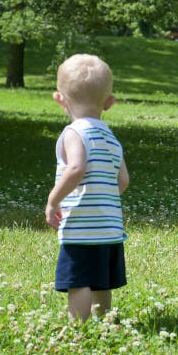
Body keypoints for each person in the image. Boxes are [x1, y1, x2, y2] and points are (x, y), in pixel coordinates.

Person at [46, 54, 129, 321]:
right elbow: (123, 180)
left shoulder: (74, 132)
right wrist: (103, 197)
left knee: (79, 278)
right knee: (101, 278)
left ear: (60, 99)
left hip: (81, 224)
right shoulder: (110, 136)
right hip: (110, 224)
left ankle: (78, 328)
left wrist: (53, 200)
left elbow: (76, 168)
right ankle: (103, 320)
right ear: (109, 103)